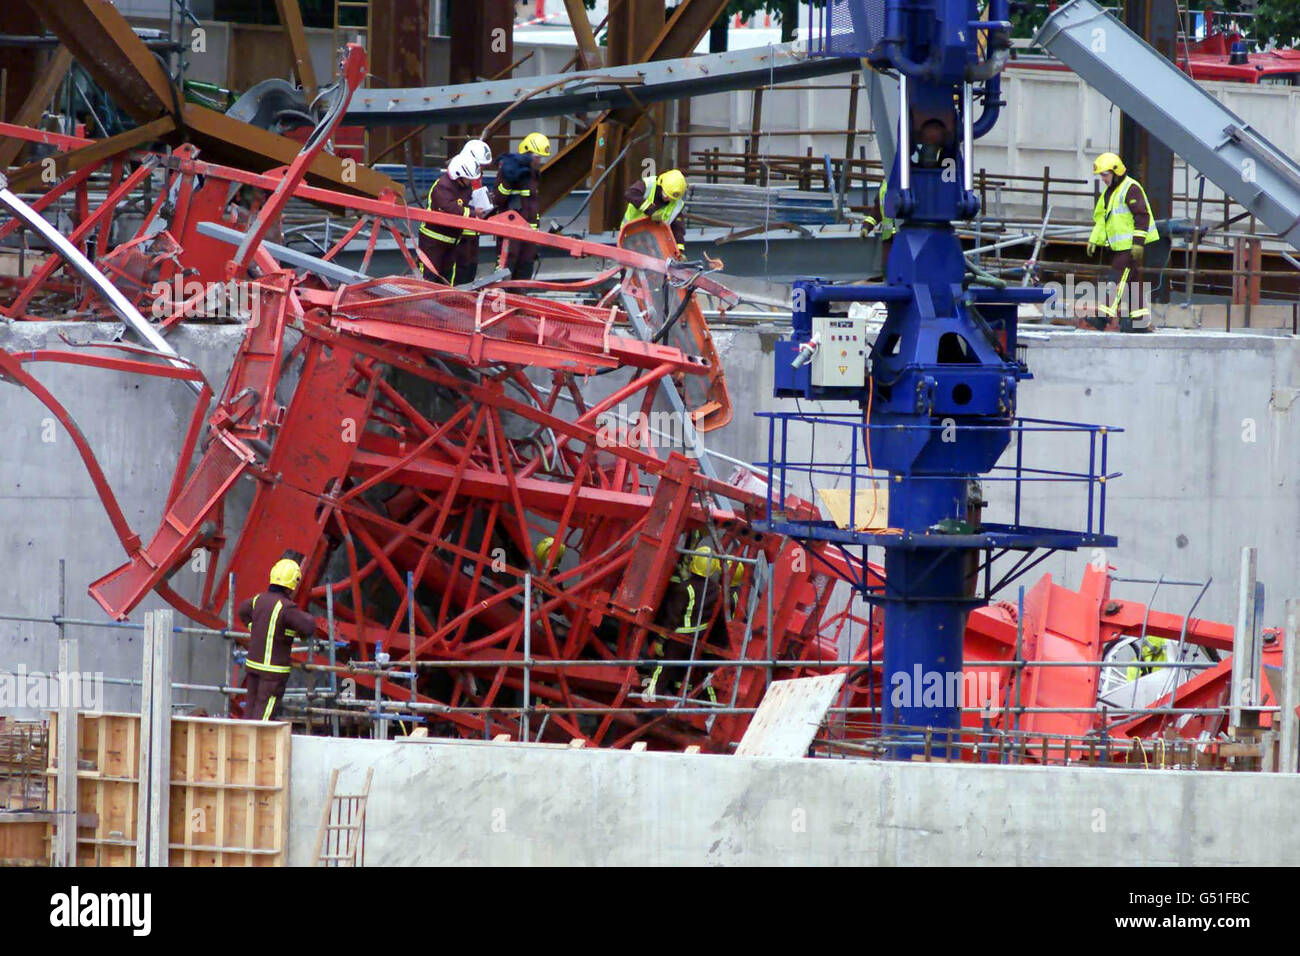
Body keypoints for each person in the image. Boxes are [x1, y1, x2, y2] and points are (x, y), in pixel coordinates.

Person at [236, 558, 317, 721]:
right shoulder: (286, 607)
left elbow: (242, 610)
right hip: (273, 672)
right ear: (293, 584)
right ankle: (257, 745)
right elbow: (308, 627)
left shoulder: (258, 600)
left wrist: (255, 628)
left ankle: (246, 743)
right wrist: (289, 631)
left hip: (253, 667)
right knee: (264, 715)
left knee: (250, 709)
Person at [1087, 152, 1158, 330]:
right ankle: (1140, 321)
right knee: (1132, 283)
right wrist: (1094, 240)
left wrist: (1138, 243)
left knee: (1116, 279)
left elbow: (1142, 216)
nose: (1103, 179)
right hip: (1121, 247)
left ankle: (1102, 318)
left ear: (1116, 172)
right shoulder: (1110, 193)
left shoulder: (1130, 188)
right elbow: (1102, 219)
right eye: (1101, 175)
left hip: (1129, 247)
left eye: (1105, 175)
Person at [646, 545, 722, 701]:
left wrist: (661, 640)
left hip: (679, 637)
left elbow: (673, 618)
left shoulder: (683, 589)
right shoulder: (716, 589)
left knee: (663, 666)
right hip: (699, 636)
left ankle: (650, 696)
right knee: (683, 668)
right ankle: (678, 693)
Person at [493, 131, 549, 279]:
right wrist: (509, 181)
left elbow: (532, 206)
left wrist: (535, 234)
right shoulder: (509, 171)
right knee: (506, 270)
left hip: (528, 236)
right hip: (511, 233)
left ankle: (519, 300)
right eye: (537, 157)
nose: (539, 161)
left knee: (524, 270)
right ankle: (502, 299)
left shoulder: (532, 174)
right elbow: (499, 199)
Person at [419, 154, 482, 285]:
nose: (470, 182)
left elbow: (465, 203)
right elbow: (449, 208)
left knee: (447, 278)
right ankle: (423, 304)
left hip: (452, 241)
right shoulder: (443, 186)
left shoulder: (464, 186)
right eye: (468, 178)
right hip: (434, 241)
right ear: (458, 174)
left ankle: (444, 303)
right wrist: (472, 213)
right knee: (429, 276)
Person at [622, 168, 688, 258]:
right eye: (666, 195)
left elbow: (678, 229)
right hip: (630, 232)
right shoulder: (648, 185)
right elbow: (630, 194)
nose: (668, 199)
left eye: (671, 198)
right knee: (628, 264)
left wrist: (679, 250)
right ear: (661, 184)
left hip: (653, 240)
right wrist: (651, 211)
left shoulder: (677, 205)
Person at [454, 139, 494, 285]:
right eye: (480, 165)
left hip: (473, 232)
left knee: (470, 270)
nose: (481, 169)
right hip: (461, 235)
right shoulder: (460, 177)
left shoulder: (475, 176)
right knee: (461, 272)